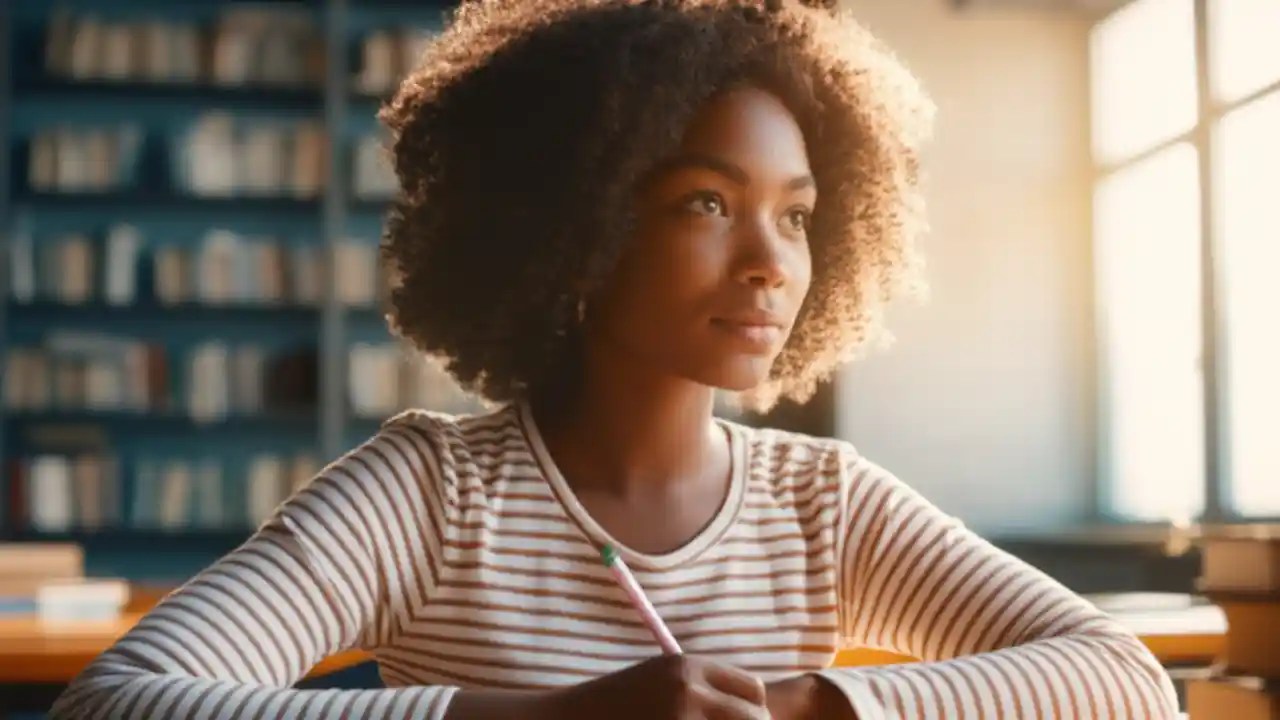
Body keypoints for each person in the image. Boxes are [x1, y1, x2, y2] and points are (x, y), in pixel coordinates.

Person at [52, 0, 1179, 717]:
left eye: (794, 216)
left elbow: (1121, 681)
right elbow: (116, 701)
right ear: (574, 227)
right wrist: (555, 719)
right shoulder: (432, 496)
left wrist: (800, 706)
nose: (769, 264)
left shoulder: (816, 504)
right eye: (705, 202)